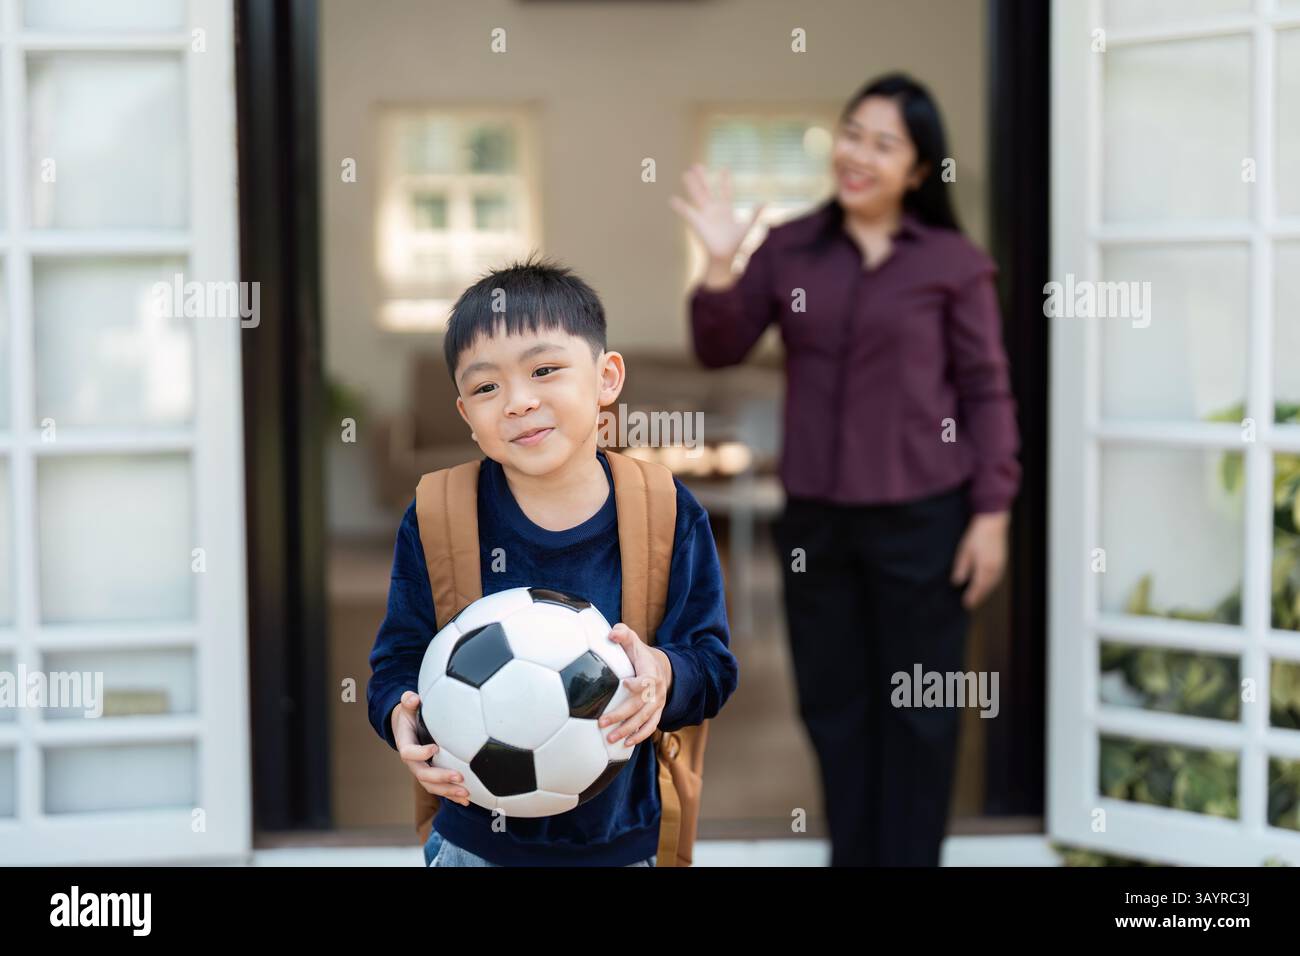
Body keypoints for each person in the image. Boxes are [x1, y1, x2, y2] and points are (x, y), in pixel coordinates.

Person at [672, 73, 1021, 866]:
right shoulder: (790, 248)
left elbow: (987, 392)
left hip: (926, 517)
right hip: (818, 524)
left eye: (883, 143)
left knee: (920, 713)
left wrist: (992, 514)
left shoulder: (953, 265)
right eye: (852, 134)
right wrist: (722, 266)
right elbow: (718, 345)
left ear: (920, 170)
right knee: (834, 706)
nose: (858, 155)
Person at [366, 257, 739, 866]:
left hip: (621, 847)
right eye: (486, 387)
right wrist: (398, 716)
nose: (517, 401)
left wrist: (664, 676)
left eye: (545, 370)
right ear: (465, 413)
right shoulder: (438, 513)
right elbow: (398, 663)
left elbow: (714, 666)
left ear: (606, 378)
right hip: (474, 847)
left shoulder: (666, 512)